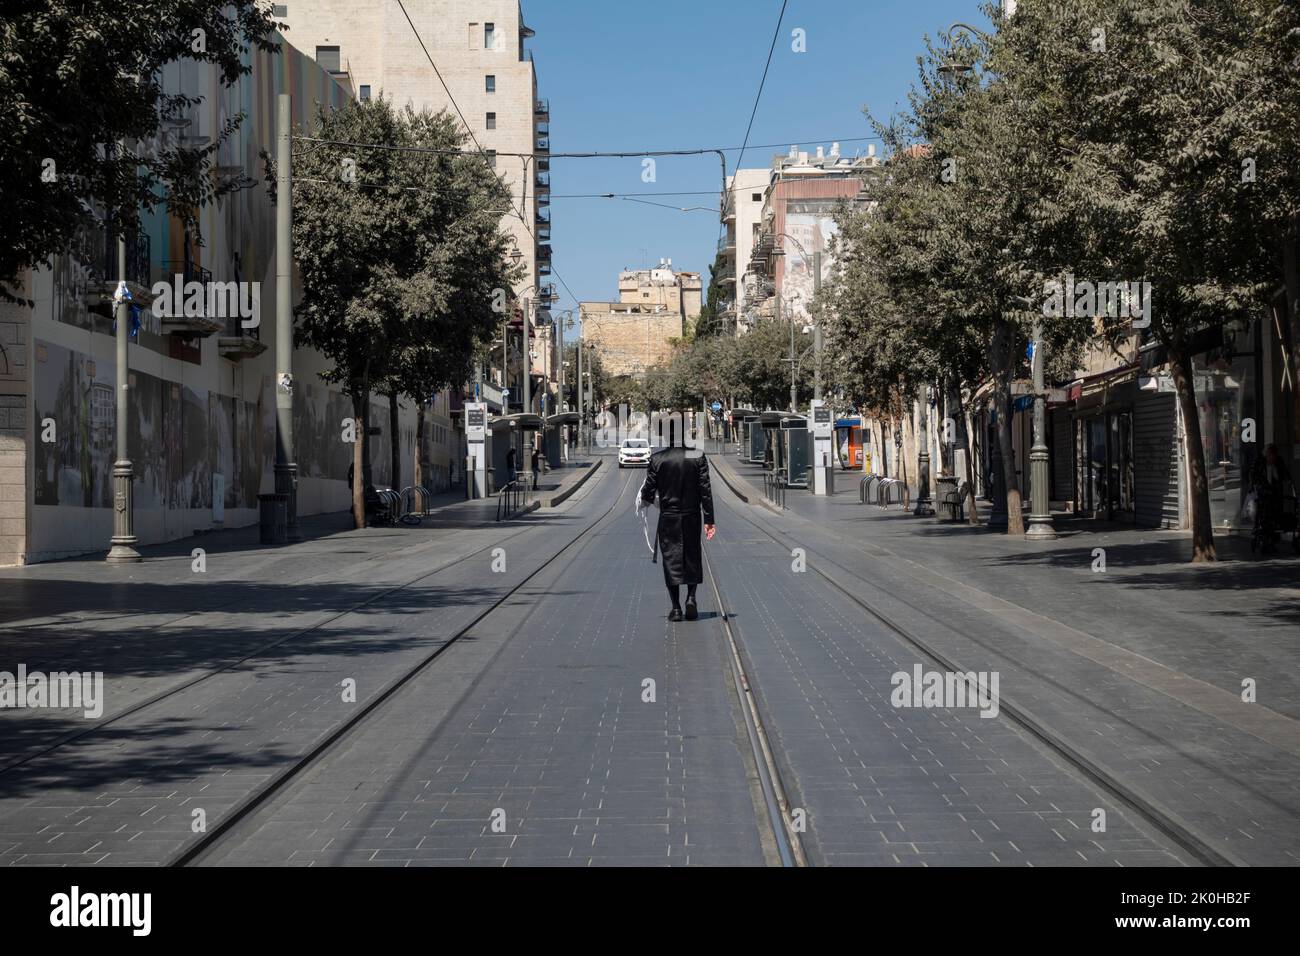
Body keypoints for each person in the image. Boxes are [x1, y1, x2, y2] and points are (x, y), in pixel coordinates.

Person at [638, 418, 716, 622]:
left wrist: (645, 500)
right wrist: (709, 519)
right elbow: (705, 490)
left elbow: (649, 489)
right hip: (691, 515)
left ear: (665, 436)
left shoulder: (657, 459)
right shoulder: (697, 456)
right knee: (692, 555)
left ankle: (676, 608)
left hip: (669, 517)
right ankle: (691, 597)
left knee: (671, 559)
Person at [1250, 443, 1293, 550]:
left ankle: (1273, 539)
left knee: (1276, 514)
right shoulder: (1259, 462)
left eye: (1273, 456)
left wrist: (1288, 481)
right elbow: (1253, 475)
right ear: (1266, 455)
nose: (1272, 458)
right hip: (1263, 493)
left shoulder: (1279, 461)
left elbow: (1285, 472)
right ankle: (1264, 538)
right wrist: (1256, 485)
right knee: (1264, 514)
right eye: (1269, 456)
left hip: (1276, 492)